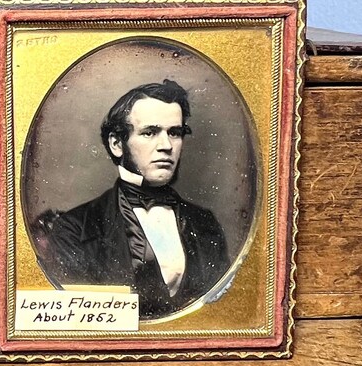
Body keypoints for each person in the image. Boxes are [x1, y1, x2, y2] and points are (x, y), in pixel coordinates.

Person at [30, 80, 229, 318]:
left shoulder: (205, 223)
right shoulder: (75, 228)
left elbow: (221, 313)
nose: (166, 146)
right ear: (116, 144)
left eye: (174, 133)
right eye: (150, 133)